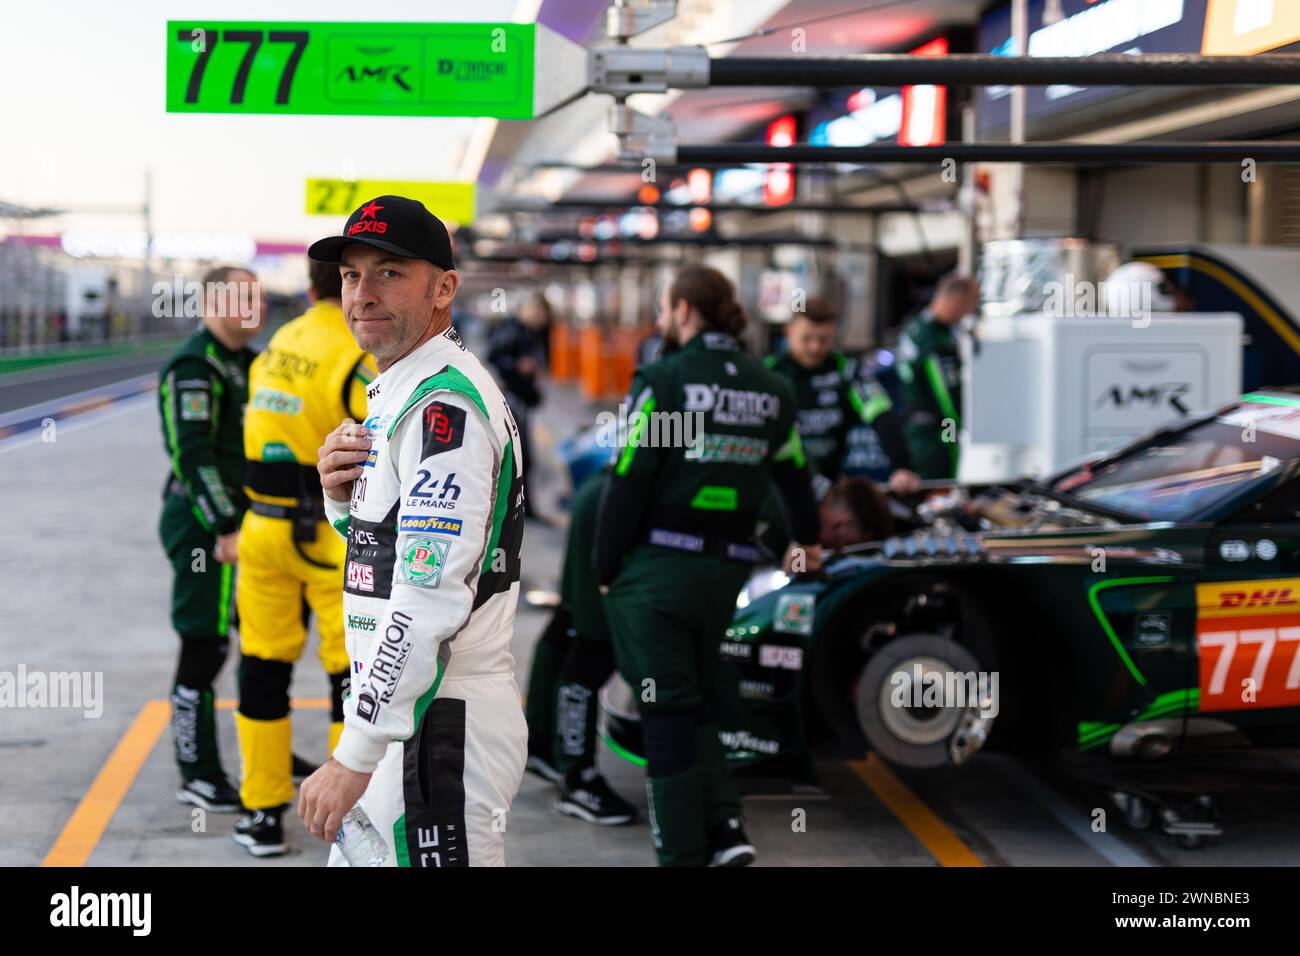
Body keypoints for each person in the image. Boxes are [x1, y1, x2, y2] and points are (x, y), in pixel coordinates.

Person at [302, 195, 528, 866]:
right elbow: (401, 560)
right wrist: (342, 503)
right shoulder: (404, 390)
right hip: (403, 713)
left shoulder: (443, 406)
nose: (362, 294)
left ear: (443, 289)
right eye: (350, 275)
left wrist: (355, 754)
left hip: (437, 727)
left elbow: (428, 595)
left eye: (389, 272)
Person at [593, 265, 822, 867]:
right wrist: (810, 540)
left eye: (666, 309)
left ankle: (682, 854)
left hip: (658, 573)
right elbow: (795, 476)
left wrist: (604, 567)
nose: (662, 320)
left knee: (664, 707)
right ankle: (726, 829)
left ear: (686, 309)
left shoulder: (665, 378)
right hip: (728, 573)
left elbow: (628, 478)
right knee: (691, 696)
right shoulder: (771, 386)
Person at [231, 259, 378, 856]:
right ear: (341, 286)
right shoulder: (354, 356)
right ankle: (349, 813)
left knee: (263, 664)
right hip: (324, 535)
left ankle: (261, 811)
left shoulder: (277, 346)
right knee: (350, 671)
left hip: (259, 529)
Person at [156, 264, 260, 812]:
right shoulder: (195, 365)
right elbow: (191, 455)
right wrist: (225, 526)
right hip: (204, 526)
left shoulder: (250, 361)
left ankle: (261, 743)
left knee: (262, 639)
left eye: (256, 295)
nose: (252, 305)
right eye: (241, 296)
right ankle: (195, 770)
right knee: (205, 643)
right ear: (211, 302)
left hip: (246, 524)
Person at [524, 468, 637, 825]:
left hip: (606, 489)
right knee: (592, 642)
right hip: (625, 499)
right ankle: (578, 779)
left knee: (571, 621)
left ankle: (541, 744)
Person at [766, 296, 919, 492]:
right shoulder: (769, 372)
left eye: (823, 339)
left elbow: (883, 416)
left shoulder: (847, 371)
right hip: (777, 486)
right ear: (788, 332)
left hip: (829, 485)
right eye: (806, 339)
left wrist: (902, 467)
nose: (815, 347)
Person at [895, 274, 980, 480]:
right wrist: (957, 432)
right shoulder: (933, 339)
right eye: (971, 305)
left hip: (913, 426)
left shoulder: (915, 326)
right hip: (936, 430)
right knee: (941, 490)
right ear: (958, 302)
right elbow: (946, 398)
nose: (969, 312)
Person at [487, 292, 550, 519]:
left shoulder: (530, 333)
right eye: (536, 311)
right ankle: (518, 506)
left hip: (521, 397)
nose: (540, 317)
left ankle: (523, 505)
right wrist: (517, 365)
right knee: (520, 453)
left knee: (523, 453)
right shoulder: (511, 330)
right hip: (512, 397)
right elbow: (493, 356)